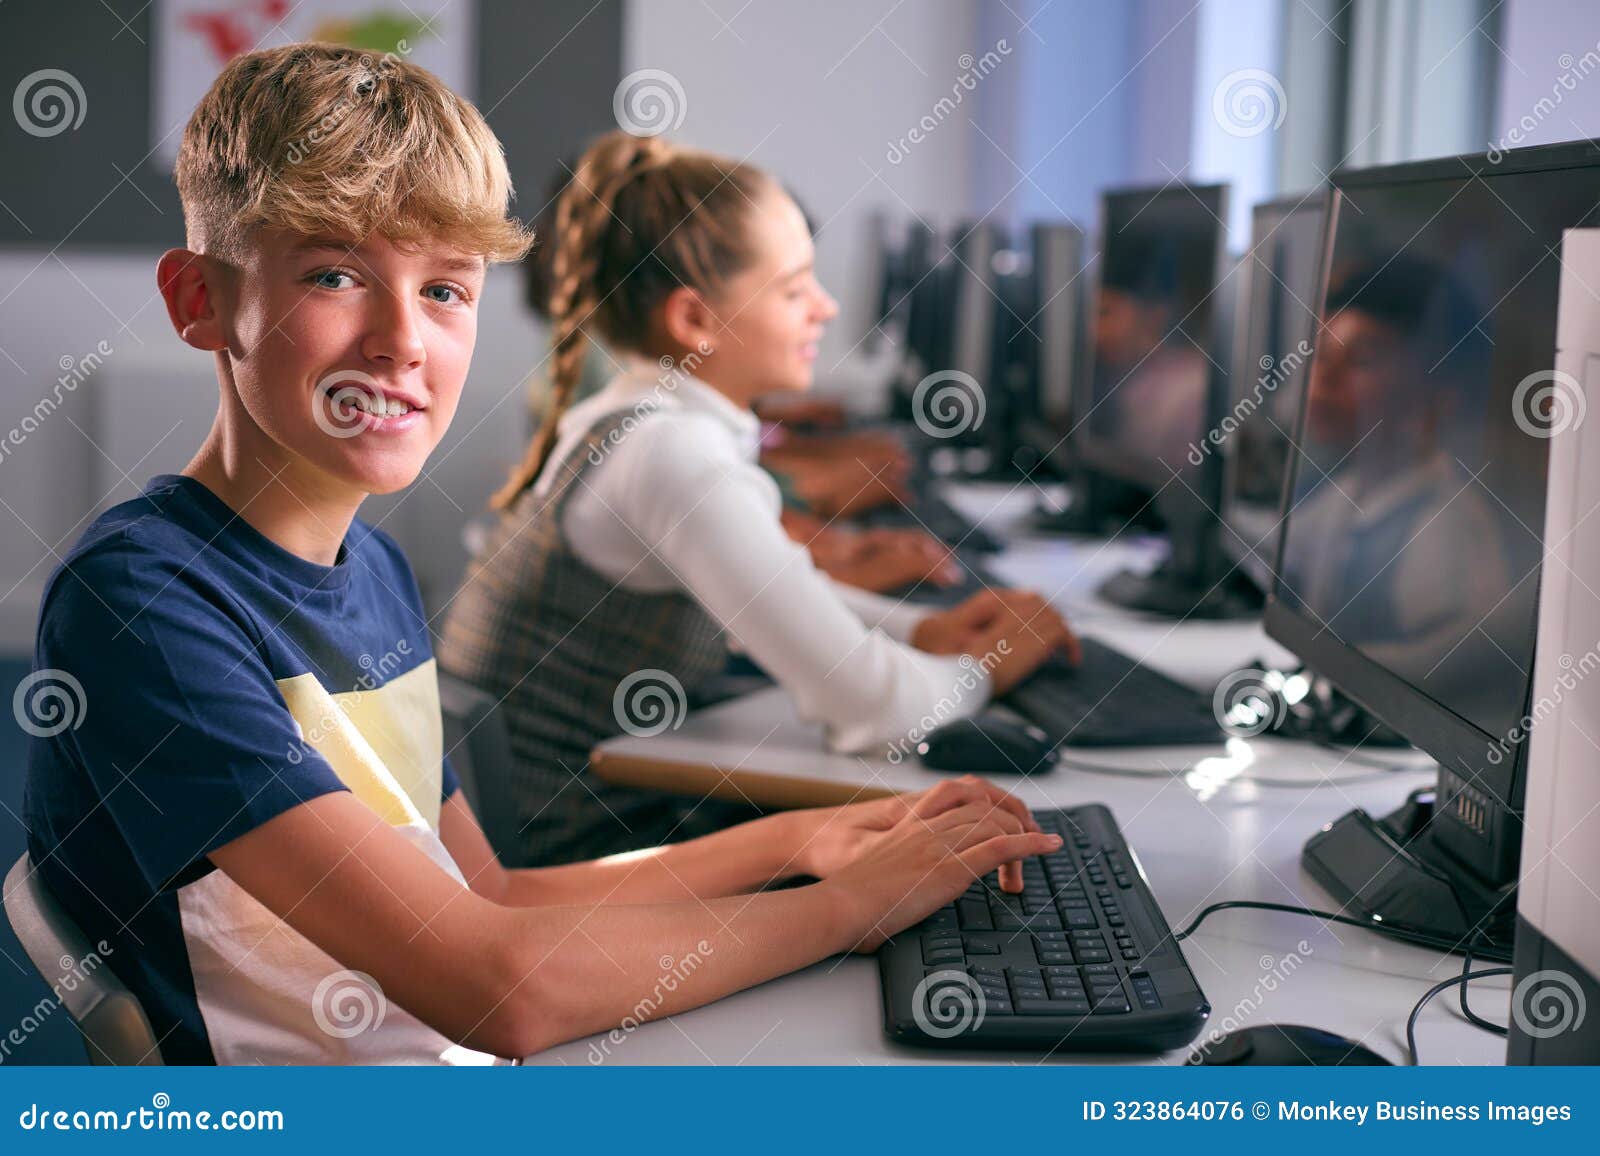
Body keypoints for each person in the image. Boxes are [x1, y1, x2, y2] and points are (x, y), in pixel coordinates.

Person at [21, 44, 1061, 1066]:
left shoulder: (372, 573)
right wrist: (847, 910)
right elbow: (497, 987)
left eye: (444, 290)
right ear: (200, 300)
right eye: (335, 274)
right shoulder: (144, 603)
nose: (402, 342)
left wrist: (802, 845)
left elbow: (494, 893)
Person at [438, 130, 1079, 867]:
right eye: (794, 288)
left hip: (578, 838)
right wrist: (996, 661)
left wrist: (920, 633)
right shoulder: (671, 453)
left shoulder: (635, 418)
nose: (827, 307)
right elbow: (882, 715)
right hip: (590, 865)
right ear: (694, 322)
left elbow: (766, 595)